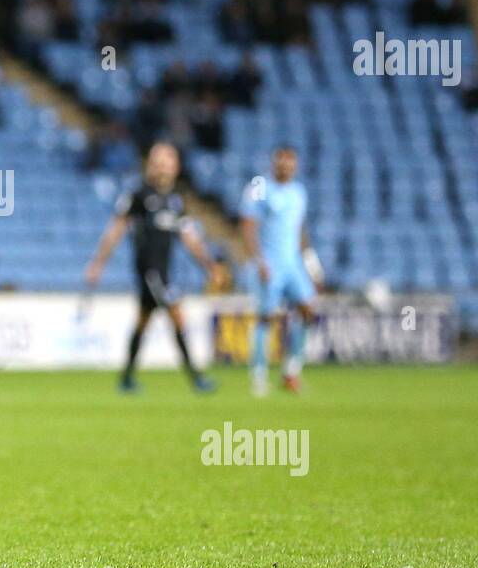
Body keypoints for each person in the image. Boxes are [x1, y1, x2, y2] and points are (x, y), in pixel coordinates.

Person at [84, 142, 219, 394]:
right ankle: (196, 377)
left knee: (143, 322)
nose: (162, 168)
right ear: (150, 165)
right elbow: (116, 228)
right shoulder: (139, 195)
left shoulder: (176, 201)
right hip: (149, 271)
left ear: (176, 167)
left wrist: (209, 264)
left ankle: (126, 378)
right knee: (177, 315)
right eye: (158, 162)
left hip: (164, 271)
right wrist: (98, 263)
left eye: (167, 162)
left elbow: (189, 237)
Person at [239, 145, 324, 396]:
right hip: (269, 264)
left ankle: (291, 371)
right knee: (266, 318)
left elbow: (300, 232)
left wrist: (313, 267)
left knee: (308, 310)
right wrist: (259, 261)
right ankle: (259, 375)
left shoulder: (299, 192)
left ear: (295, 165)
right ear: (274, 162)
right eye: (282, 161)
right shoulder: (259, 188)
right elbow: (247, 226)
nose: (286, 166)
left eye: (290, 162)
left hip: (293, 264)